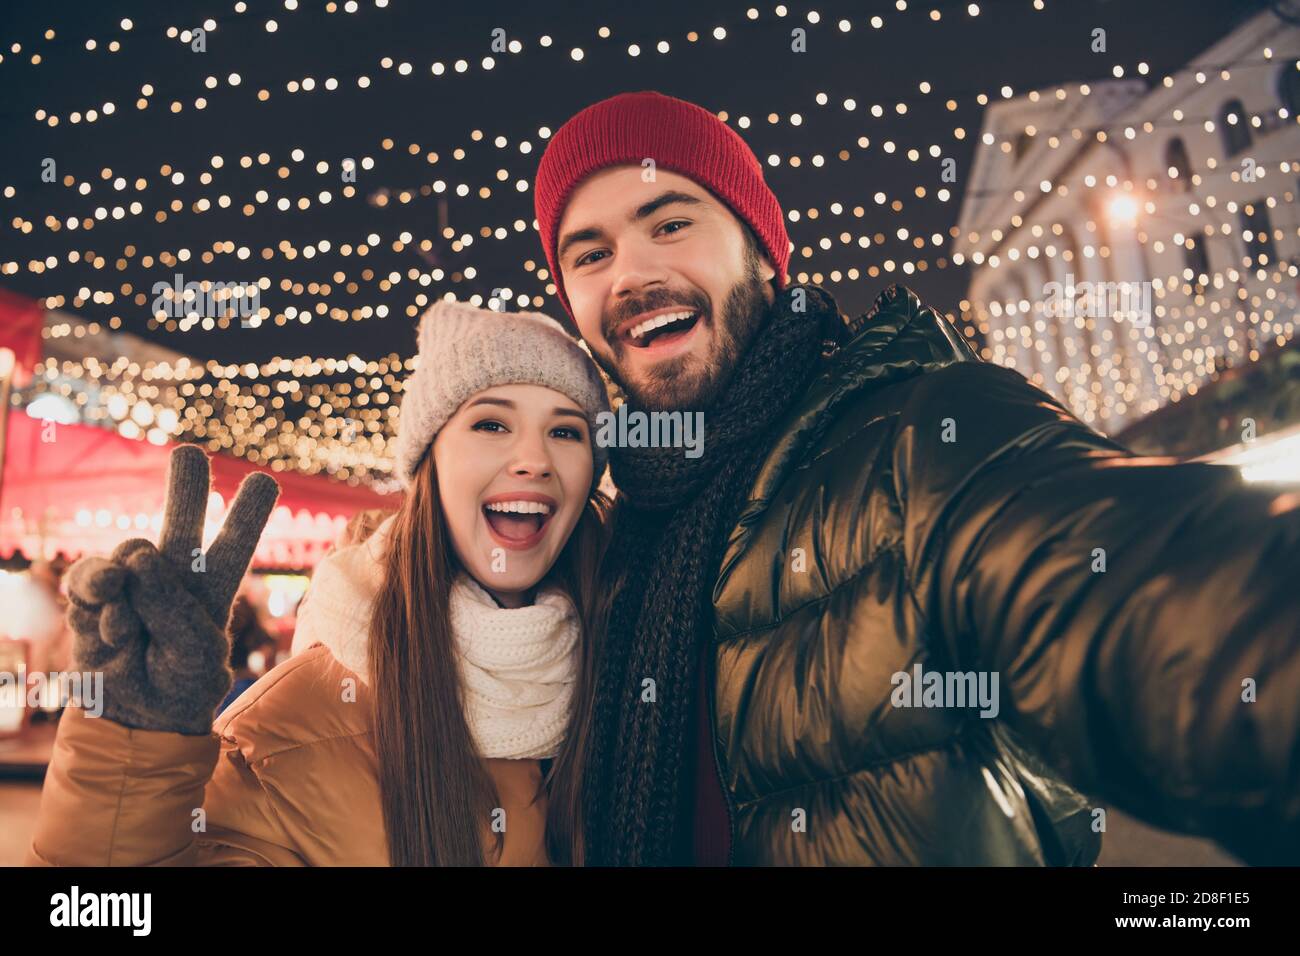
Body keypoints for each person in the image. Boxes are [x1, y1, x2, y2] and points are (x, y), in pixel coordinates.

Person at [531, 89, 1300, 866]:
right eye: (590, 255)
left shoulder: (926, 436)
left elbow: (1151, 602)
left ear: (762, 251)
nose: (631, 274)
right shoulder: (612, 546)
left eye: (670, 223)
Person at [25, 300, 613, 866]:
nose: (534, 459)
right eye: (491, 423)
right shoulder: (287, 730)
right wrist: (133, 755)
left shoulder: (617, 665)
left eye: (566, 432)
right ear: (428, 463)